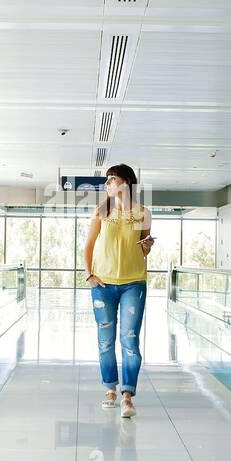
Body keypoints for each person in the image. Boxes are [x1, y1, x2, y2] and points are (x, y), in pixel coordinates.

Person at [82, 164, 154, 419]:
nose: (108, 183)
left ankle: (127, 395)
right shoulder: (102, 210)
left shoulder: (143, 212)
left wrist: (147, 245)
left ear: (127, 182)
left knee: (130, 340)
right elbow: (89, 245)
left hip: (134, 282)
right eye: (107, 180)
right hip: (103, 285)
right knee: (105, 341)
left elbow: (143, 250)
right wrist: (89, 274)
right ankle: (110, 388)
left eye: (112, 179)